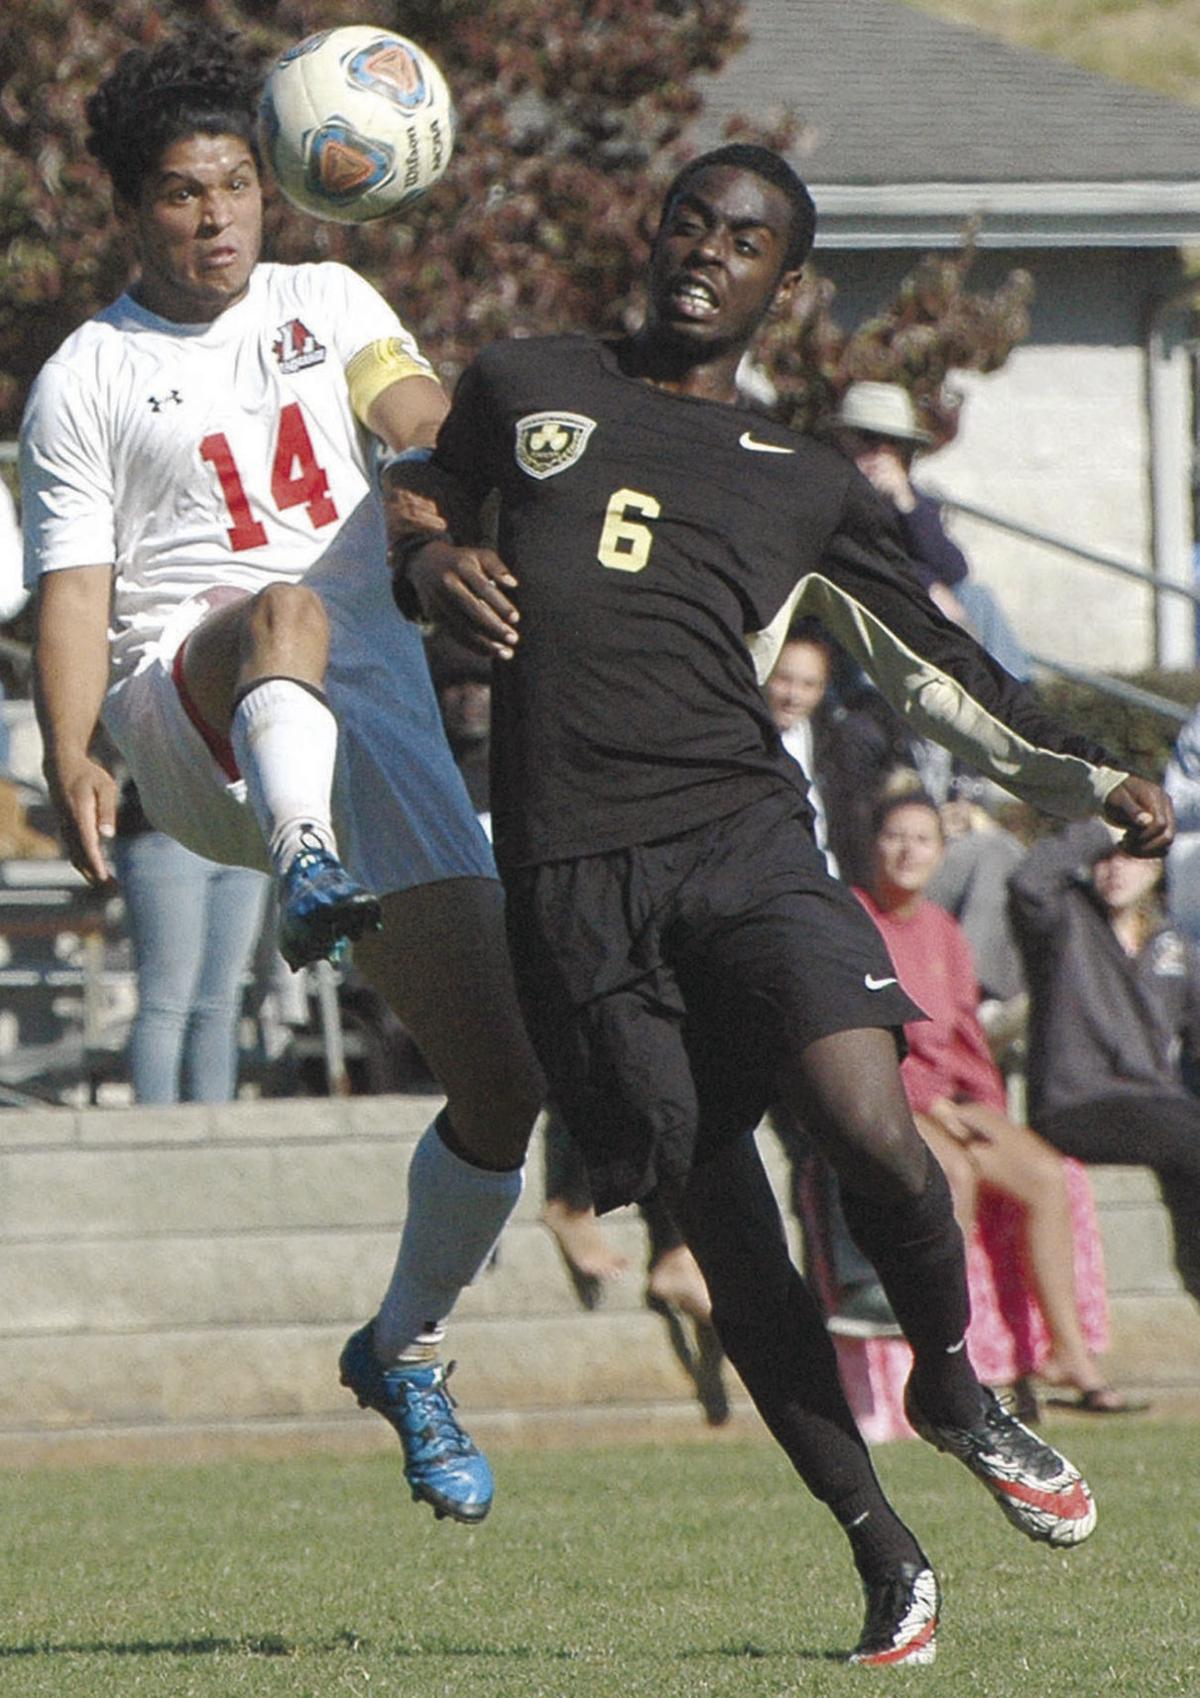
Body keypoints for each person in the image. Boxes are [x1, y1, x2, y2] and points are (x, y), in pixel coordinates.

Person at [389, 144, 1174, 1664]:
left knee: (872, 1122)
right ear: (656, 230)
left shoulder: (800, 479)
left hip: (745, 841)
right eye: (691, 219)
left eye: (746, 240)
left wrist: (1086, 776)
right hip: (571, 881)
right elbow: (422, 489)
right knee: (727, 1223)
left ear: (786, 286)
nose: (708, 250)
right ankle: (883, 1550)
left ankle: (951, 1378)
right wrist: (432, 563)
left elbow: (947, 666)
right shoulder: (524, 379)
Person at [20, 25, 543, 1527]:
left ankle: (404, 1348)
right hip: (188, 705)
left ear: (277, 186)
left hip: (364, 706)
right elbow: (73, 582)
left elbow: (415, 411)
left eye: (237, 187)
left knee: (504, 1074)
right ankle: (311, 863)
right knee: (287, 614)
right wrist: (68, 750)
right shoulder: (87, 374)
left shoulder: (327, 298)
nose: (216, 218)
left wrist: (503, 443)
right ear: (135, 207)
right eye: (183, 195)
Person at [857, 792, 1125, 1411]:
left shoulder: (942, 929)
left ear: (941, 853)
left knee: (1042, 1174)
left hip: (948, 1094)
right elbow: (864, 1036)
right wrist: (927, 1100)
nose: (908, 852)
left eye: (923, 840)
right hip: (882, 1096)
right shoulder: (854, 920)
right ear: (874, 845)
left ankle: (1068, 1354)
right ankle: (959, 1362)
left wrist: (982, 1104)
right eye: (896, 836)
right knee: (951, 1174)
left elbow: (964, 1032)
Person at [1009, 817, 1200, 1309]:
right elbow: (1026, 882)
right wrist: (1101, 824)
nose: (1117, 869)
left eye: (1132, 855)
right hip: (1077, 1103)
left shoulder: (1175, 947)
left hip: (1156, 1107)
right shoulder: (1063, 921)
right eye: (1107, 857)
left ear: (1156, 867)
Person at [830, 380, 1032, 682]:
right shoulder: (831, 494)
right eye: (869, 439)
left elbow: (954, 569)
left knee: (976, 597)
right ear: (845, 441)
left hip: (918, 605)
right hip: (863, 605)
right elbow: (860, 559)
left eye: (893, 443)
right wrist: (926, 586)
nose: (881, 453)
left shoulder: (911, 500)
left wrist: (907, 504)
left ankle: (1012, 691)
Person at [112, 778, 269, 1103]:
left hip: (241, 833)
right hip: (163, 830)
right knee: (165, 1003)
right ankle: (157, 1134)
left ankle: (214, 1130)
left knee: (221, 1002)